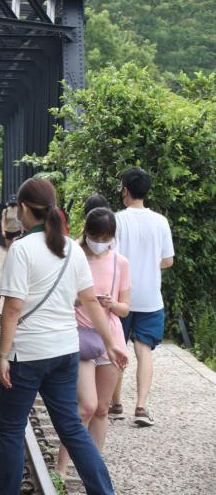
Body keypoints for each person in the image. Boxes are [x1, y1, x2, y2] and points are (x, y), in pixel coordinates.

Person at [0, 177, 128, 495]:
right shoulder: (72, 249)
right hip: (65, 351)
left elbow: (12, 309)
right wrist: (110, 343)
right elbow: (91, 300)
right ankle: (103, 492)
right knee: (71, 428)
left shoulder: (22, 249)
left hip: (26, 354)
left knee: (11, 430)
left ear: (24, 209)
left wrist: (3, 355)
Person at [56, 207, 131, 477]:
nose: (101, 242)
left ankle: (94, 467)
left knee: (102, 408)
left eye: (107, 237)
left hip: (111, 336)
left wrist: (112, 303)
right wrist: (81, 300)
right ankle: (61, 468)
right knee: (85, 406)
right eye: (97, 236)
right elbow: (60, 298)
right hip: (79, 336)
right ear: (86, 232)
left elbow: (125, 308)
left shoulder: (119, 262)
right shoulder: (72, 256)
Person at [110, 167, 174, 427]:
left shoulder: (117, 220)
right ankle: (141, 407)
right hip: (150, 298)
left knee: (117, 349)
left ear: (125, 190)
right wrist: (148, 265)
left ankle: (115, 404)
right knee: (144, 350)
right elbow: (168, 260)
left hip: (121, 298)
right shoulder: (160, 221)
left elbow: (110, 258)